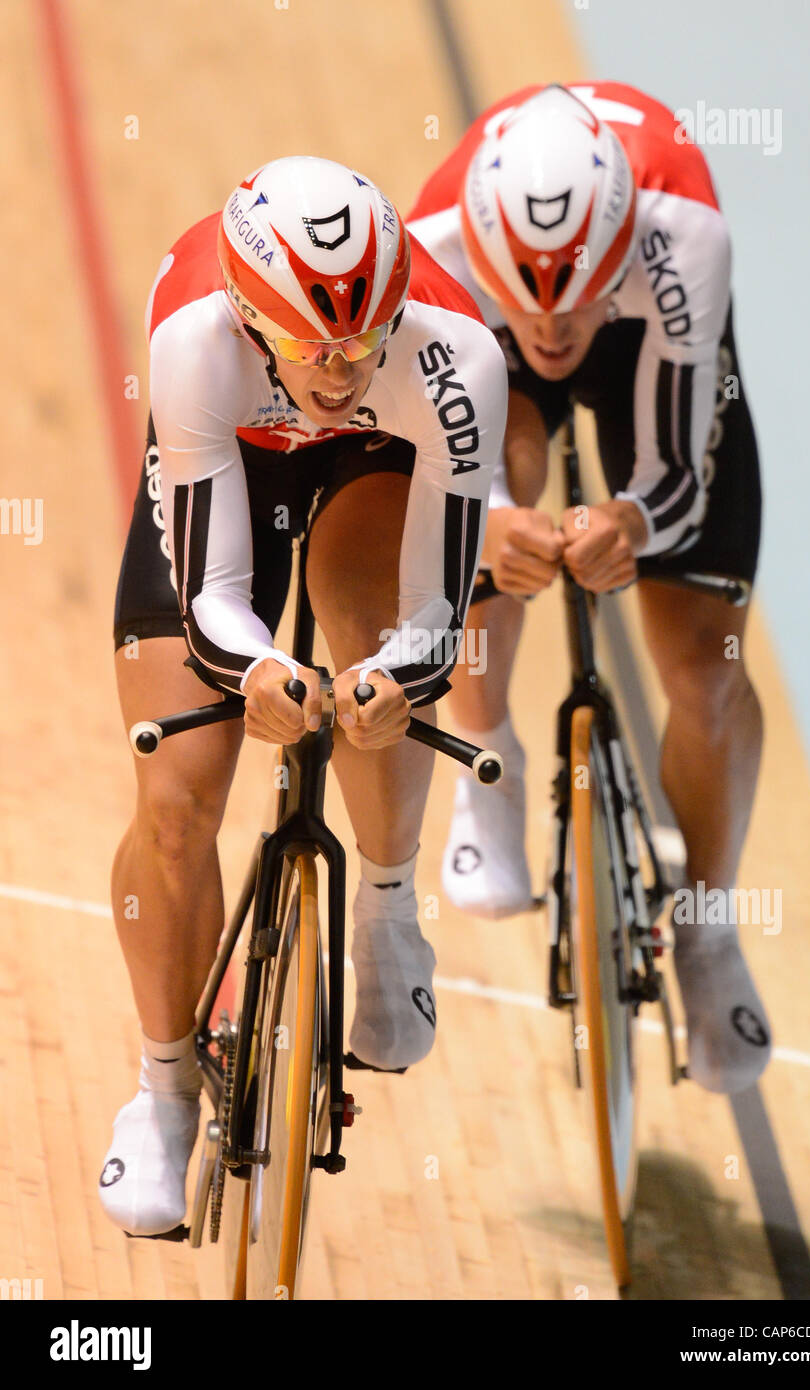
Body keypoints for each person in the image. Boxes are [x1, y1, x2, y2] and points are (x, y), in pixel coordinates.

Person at [99, 155, 507, 1235]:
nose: (336, 369)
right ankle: (163, 1088)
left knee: (373, 642)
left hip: (379, 458)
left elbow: (438, 604)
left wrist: (389, 676)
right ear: (247, 314)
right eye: (312, 347)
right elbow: (212, 595)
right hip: (233, 451)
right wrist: (257, 672)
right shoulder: (194, 338)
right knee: (180, 795)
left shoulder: (454, 354)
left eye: (360, 342)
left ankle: (384, 910)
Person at [408, 82, 771, 1095]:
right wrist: (486, 523)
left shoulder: (679, 232)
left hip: (646, 336)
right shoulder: (431, 243)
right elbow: (439, 460)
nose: (553, 322)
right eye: (529, 293)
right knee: (498, 499)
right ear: (483, 249)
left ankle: (705, 928)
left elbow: (680, 469)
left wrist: (633, 521)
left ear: (619, 243)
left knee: (702, 667)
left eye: (573, 293)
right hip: (493, 365)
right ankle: (491, 765)